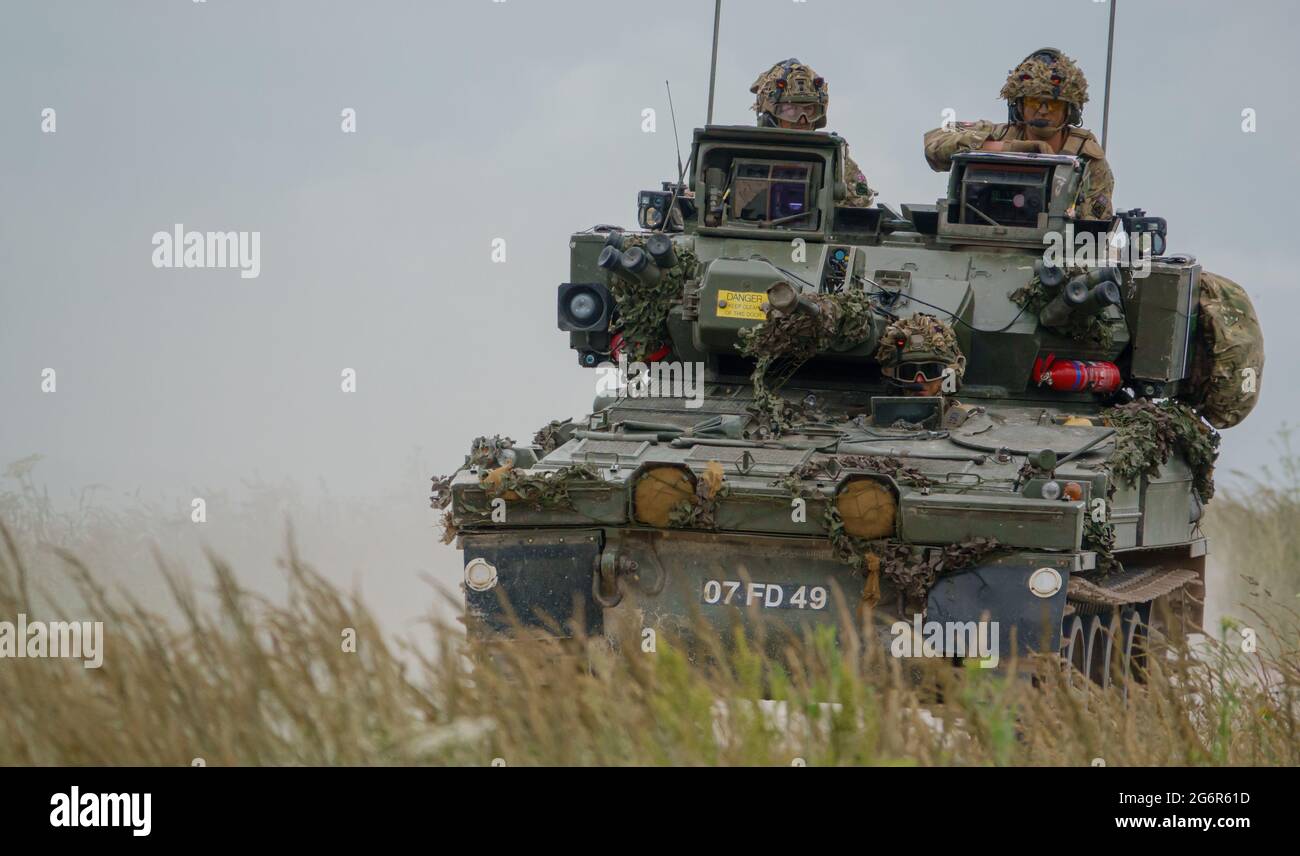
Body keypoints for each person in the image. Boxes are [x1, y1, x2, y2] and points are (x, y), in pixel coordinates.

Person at [923, 48, 1114, 220]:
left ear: (1070, 111)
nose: (1043, 111)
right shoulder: (1000, 134)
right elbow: (935, 141)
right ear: (1019, 107)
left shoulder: (1087, 158)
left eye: (1054, 104)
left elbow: (1096, 220)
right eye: (1033, 102)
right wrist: (1008, 148)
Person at [750, 58, 875, 207]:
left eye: (809, 110)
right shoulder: (747, 152)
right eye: (792, 110)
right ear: (770, 115)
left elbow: (862, 197)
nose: (802, 120)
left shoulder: (832, 156)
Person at [876, 314, 966, 397]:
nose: (919, 380)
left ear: (949, 375)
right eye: (908, 372)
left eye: (930, 371)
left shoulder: (966, 414)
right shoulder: (879, 414)